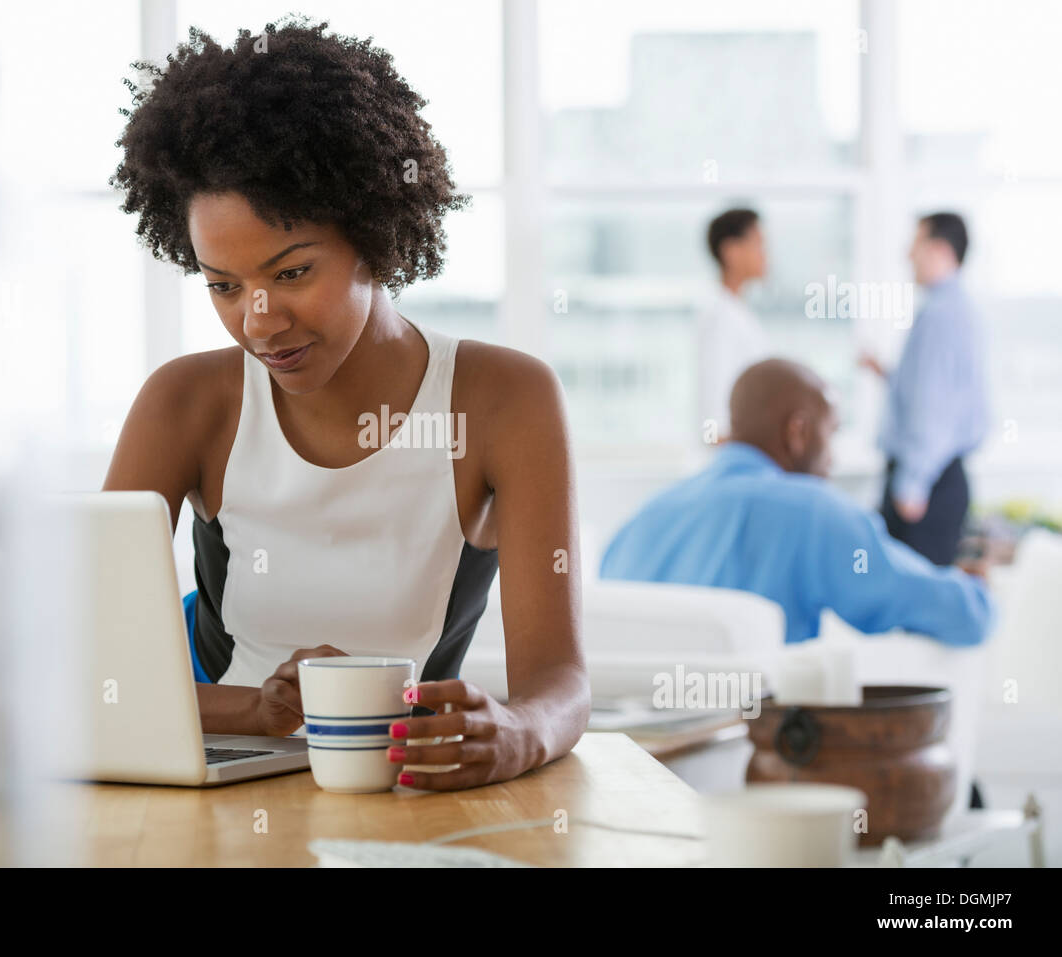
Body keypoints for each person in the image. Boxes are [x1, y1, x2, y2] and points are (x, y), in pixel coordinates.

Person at [103, 17, 589, 791]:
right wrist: (255, 709)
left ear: (374, 237)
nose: (258, 319)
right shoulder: (184, 402)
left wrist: (518, 732)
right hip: (213, 789)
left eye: (291, 273)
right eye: (224, 286)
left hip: (403, 793)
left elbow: (561, 684)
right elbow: (94, 687)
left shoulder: (507, 401)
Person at [599, 359, 994, 647]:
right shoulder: (812, 512)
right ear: (798, 433)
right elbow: (957, 617)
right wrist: (976, 592)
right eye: (831, 434)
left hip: (637, 757)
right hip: (755, 753)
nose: (833, 459)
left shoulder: (636, 525)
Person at [860, 212, 990, 565]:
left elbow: (935, 409)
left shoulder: (942, 315)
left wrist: (912, 484)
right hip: (936, 475)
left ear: (941, 250)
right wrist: (887, 373)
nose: (908, 255)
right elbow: (931, 392)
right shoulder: (949, 308)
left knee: (913, 604)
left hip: (927, 482)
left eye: (916, 244)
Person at [696, 208, 772, 439]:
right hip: (728, 462)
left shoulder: (738, 312)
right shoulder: (719, 317)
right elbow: (714, 416)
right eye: (758, 245)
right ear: (731, 251)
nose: (765, 255)